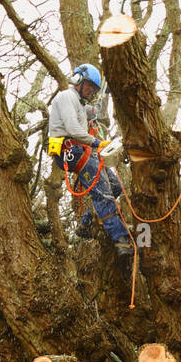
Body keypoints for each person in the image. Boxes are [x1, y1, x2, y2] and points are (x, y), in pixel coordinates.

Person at [48, 63, 135, 280]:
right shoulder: (65, 97)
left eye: (93, 89)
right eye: (89, 86)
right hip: (71, 150)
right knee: (102, 192)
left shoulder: (78, 103)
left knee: (114, 186)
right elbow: (73, 129)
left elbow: (90, 114)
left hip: (81, 148)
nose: (90, 92)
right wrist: (98, 143)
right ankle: (122, 240)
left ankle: (86, 223)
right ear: (78, 80)